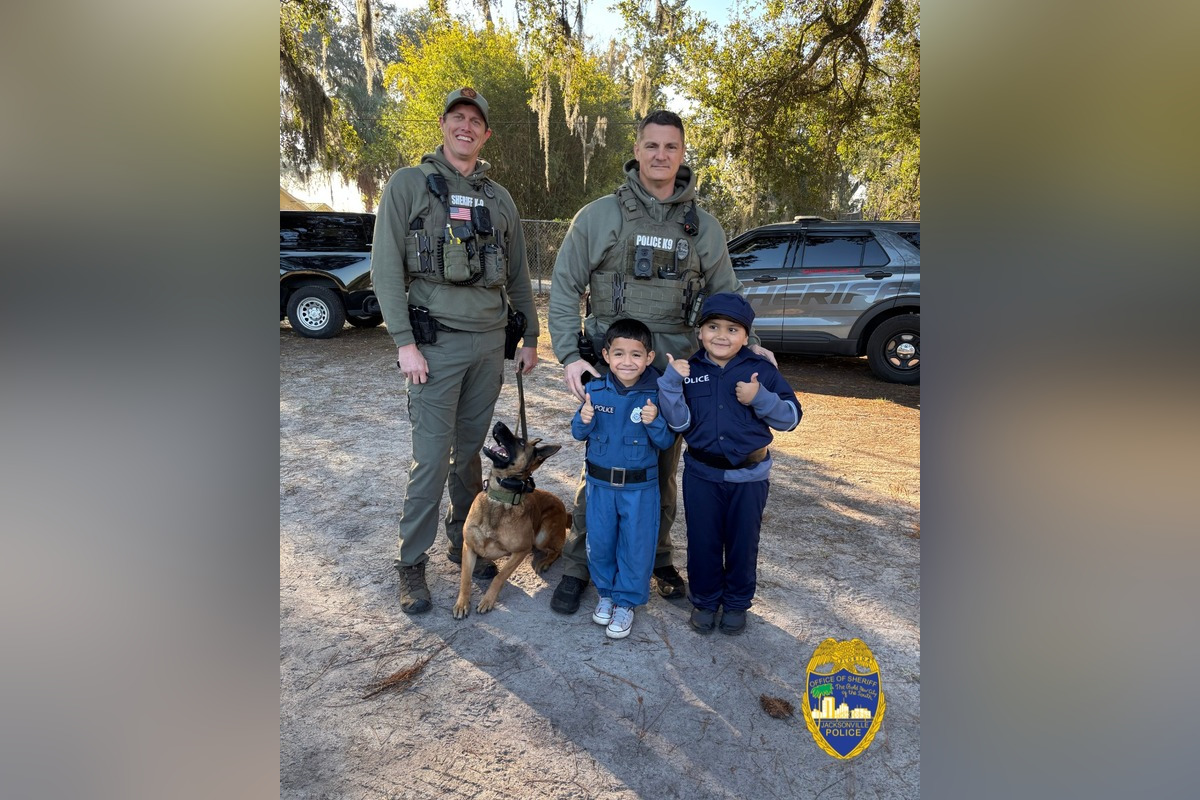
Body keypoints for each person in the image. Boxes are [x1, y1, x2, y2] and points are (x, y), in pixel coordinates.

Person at [546, 109, 777, 614]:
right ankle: (583, 563)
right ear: (636, 148)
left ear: (682, 153)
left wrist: (752, 343)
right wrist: (568, 356)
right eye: (652, 146)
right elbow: (564, 288)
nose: (660, 155)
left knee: (664, 471)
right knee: (602, 468)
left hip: (676, 376)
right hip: (615, 370)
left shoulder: (704, 227)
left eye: (670, 147)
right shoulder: (599, 217)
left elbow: (727, 295)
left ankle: (657, 557)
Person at [371, 87, 539, 614]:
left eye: (475, 121)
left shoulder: (499, 198)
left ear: (486, 133)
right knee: (430, 458)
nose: (465, 126)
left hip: (489, 346)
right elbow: (385, 269)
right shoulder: (408, 185)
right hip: (434, 346)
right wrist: (405, 343)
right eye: (457, 117)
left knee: (469, 455)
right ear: (444, 125)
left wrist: (529, 335)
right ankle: (411, 563)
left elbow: (517, 274)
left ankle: (464, 538)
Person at [656, 292, 801, 635]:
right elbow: (677, 423)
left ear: (746, 336)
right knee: (703, 540)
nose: (722, 335)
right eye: (713, 327)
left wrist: (760, 398)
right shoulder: (689, 370)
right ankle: (705, 601)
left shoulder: (761, 371)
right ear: (700, 333)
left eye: (732, 329)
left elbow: (791, 418)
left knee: (742, 541)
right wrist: (670, 383)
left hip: (749, 477)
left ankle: (736, 603)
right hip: (702, 474)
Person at [570, 318, 675, 639]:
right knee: (600, 542)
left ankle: (626, 602)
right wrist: (583, 419)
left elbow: (666, 442)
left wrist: (655, 422)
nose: (626, 362)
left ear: (650, 357)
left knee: (635, 545)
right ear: (606, 354)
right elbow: (578, 432)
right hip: (600, 487)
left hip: (639, 489)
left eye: (635, 355)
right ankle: (606, 594)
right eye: (618, 354)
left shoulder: (656, 393)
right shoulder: (595, 389)